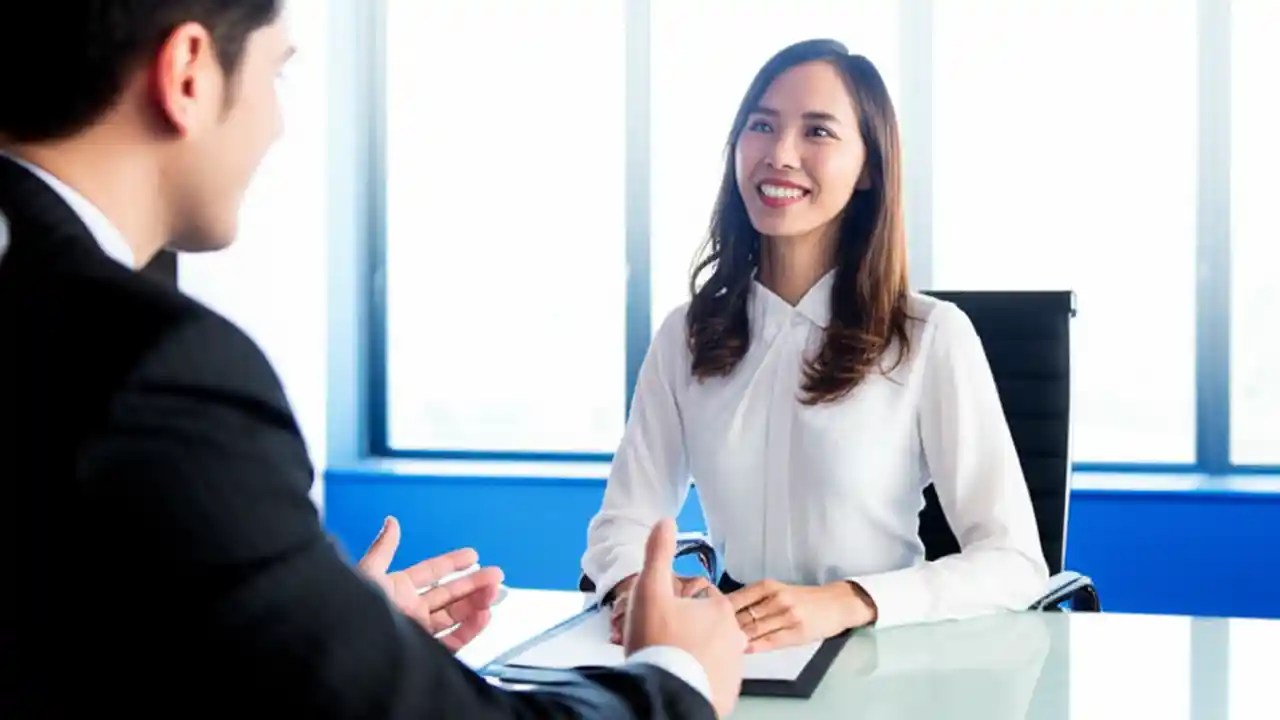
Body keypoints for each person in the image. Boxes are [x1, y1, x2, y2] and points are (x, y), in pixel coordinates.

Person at [0, 2, 745, 717]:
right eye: (277, 74)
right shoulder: (157, 364)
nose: (278, 125)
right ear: (190, 72)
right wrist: (675, 677)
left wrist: (309, 624)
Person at [585, 39, 1050, 653]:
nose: (779, 154)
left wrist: (847, 601)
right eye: (762, 126)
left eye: (818, 132)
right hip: (735, 650)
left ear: (869, 169)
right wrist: (635, 587)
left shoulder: (930, 337)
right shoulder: (686, 336)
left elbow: (1014, 560)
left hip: (881, 649)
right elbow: (624, 520)